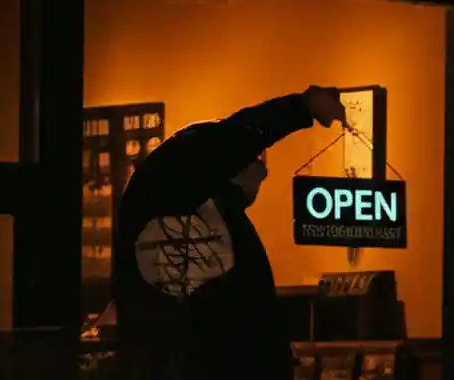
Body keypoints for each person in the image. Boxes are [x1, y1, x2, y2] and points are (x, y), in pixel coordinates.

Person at [113, 86, 346, 379]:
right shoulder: (178, 189)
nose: (262, 174)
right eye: (256, 164)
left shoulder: (197, 211)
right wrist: (300, 108)